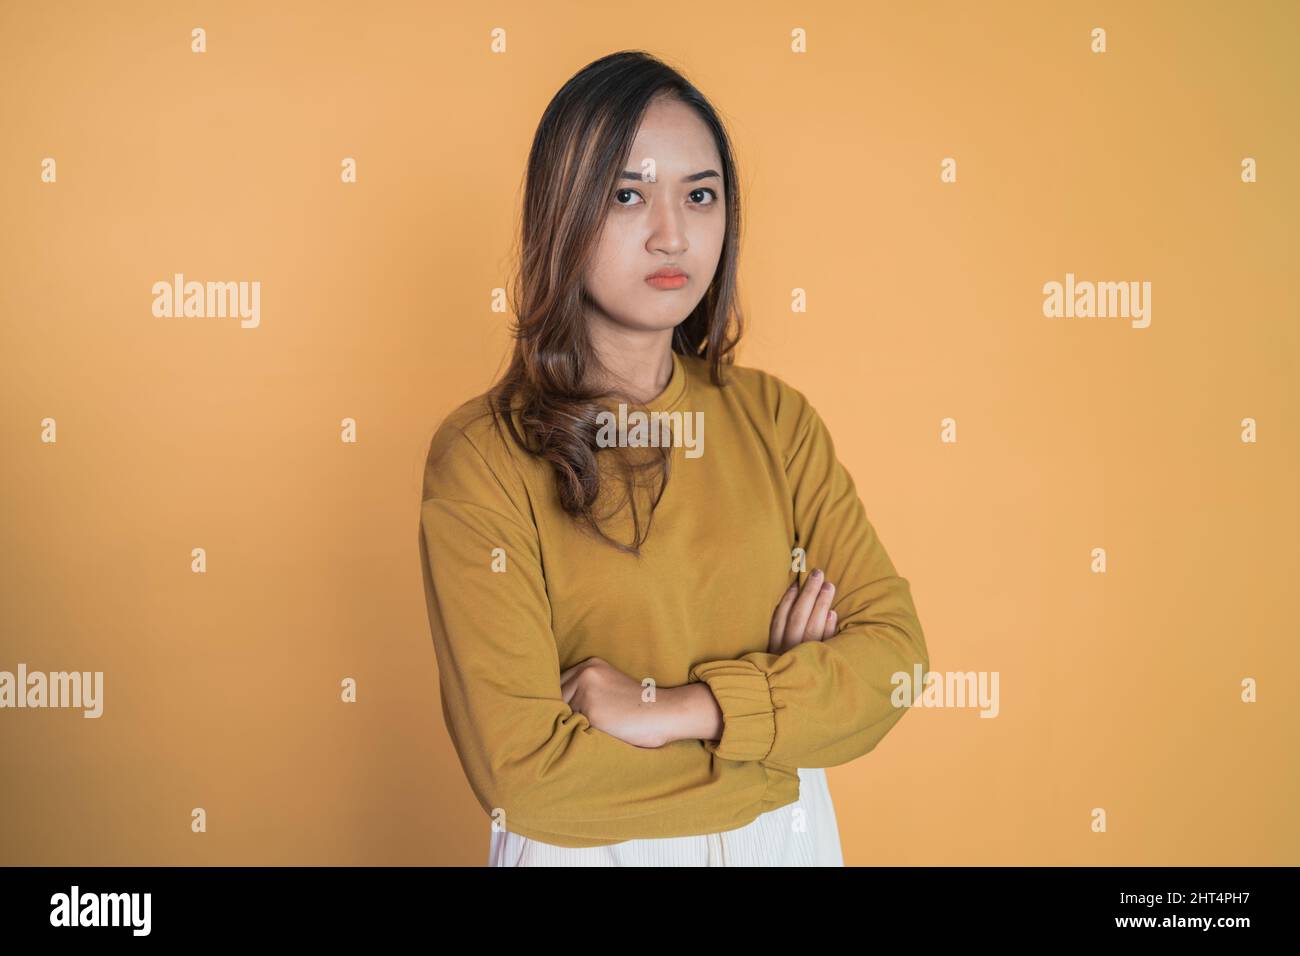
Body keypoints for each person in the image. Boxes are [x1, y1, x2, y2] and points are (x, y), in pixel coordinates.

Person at [418, 50, 929, 866]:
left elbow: (896, 662)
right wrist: (777, 746)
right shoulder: (483, 457)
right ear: (563, 211)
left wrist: (682, 709)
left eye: (700, 194)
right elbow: (529, 776)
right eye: (628, 195)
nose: (673, 232)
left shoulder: (773, 421)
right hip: (593, 852)